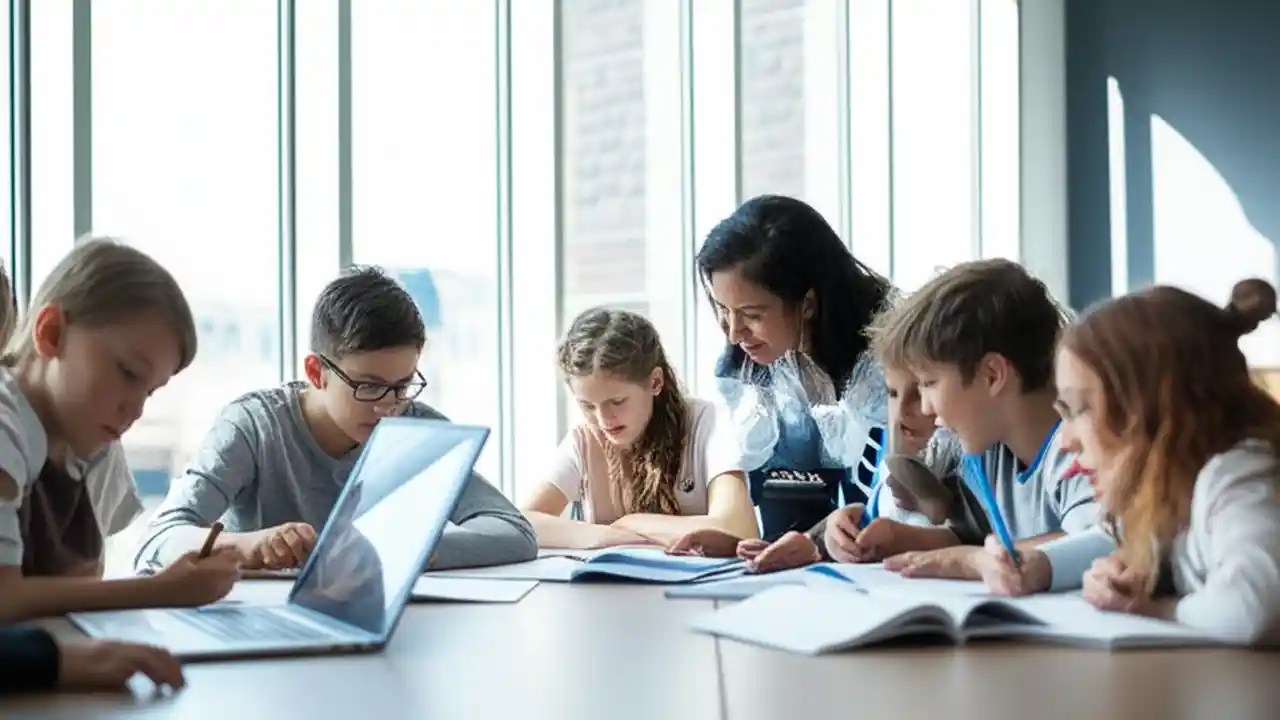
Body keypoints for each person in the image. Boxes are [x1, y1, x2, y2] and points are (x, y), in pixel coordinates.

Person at [135, 266, 537, 573]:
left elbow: (514, 531)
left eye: (402, 385)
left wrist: (413, 546)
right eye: (367, 385)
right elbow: (159, 539)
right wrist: (251, 546)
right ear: (316, 372)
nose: (388, 406)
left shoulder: (418, 430)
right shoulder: (253, 427)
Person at [977, 280, 1280, 646]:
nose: (1065, 440)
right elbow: (1113, 538)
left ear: (1153, 412)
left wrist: (1153, 609)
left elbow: (1253, 608)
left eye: (1080, 410)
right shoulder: (1174, 493)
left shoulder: (1238, 477)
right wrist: (1038, 566)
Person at [0, 240, 239, 623]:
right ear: (51, 334)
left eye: (149, 390)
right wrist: (162, 590)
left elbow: (85, 588)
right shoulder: (6, 424)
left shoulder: (96, 444)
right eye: (127, 373)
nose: (136, 410)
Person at [818, 259, 1100, 579]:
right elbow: (972, 536)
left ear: (992, 375)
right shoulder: (992, 454)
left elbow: (1098, 542)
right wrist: (898, 538)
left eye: (929, 383)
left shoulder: (1081, 451)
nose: (925, 408)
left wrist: (968, 561)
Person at [693, 195, 894, 548]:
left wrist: (811, 543)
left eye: (752, 315)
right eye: (723, 309)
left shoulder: (891, 363)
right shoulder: (749, 372)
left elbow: (898, 517)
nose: (733, 332)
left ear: (809, 304)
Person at [521, 308, 757, 550]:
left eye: (617, 402)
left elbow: (739, 530)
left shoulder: (706, 422)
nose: (603, 420)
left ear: (655, 382)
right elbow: (521, 523)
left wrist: (631, 523)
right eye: (587, 405)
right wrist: (605, 535)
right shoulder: (584, 439)